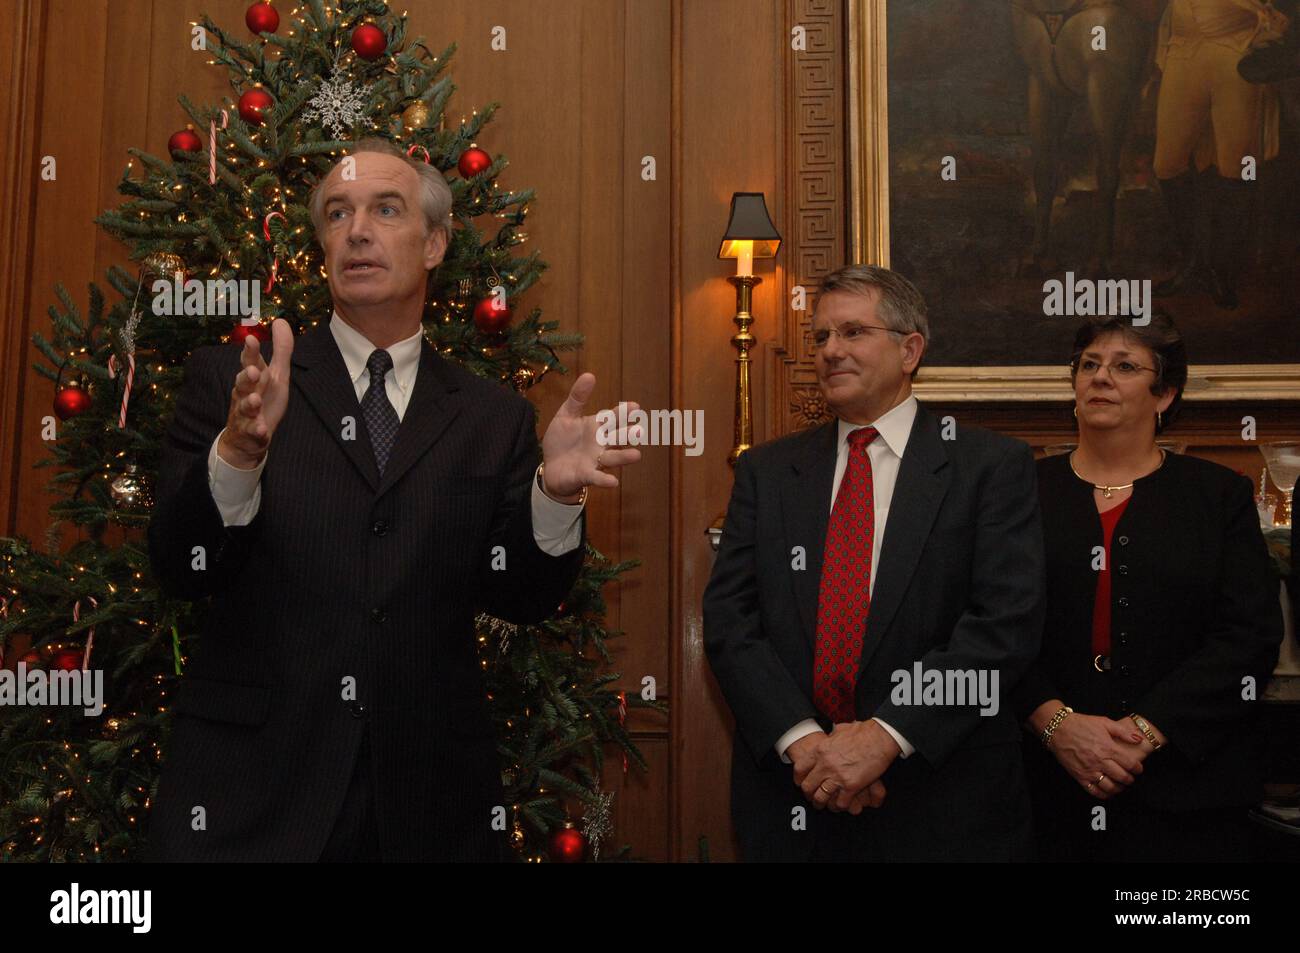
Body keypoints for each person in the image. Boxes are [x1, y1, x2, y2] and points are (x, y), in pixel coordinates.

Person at [144, 138, 641, 862]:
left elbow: (522, 593)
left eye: (385, 209)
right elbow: (181, 567)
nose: (358, 231)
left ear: (434, 242)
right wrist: (239, 454)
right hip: (249, 798)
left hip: (430, 805)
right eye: (338, 215)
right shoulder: (235, 382)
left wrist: (552, 497)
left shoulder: (490, 415)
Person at [703, 264, 1046, 862]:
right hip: (795, 799)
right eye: (820, 337)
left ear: (910, 349)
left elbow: (1003, 624)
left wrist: (888, 735)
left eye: (853, 332)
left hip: (943, 799)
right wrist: (807, 744)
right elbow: (732, 621)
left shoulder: (989, 466)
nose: (831, 350)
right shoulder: (767, 472)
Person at [1013, 313, 1283, 862]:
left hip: (1189, 791)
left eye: (1124, 367)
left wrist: (1143, 733)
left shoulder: (1217, 497)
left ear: (1164, 396)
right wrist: (1057, 725)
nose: (1100, 377)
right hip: (1041, 787)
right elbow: (990, 623)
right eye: (1088, 365)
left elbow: (1249, 636)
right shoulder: (1018, 491)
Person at [1152, 0, 1291, 308]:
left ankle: (1222, 268)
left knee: (1238, 167)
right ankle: (1193, 260)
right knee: (1167, 165)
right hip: (1184, 50)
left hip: (1237, 53)